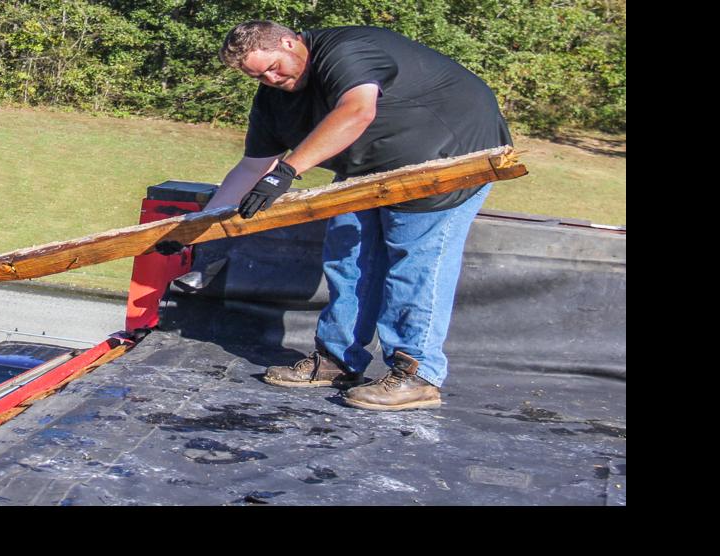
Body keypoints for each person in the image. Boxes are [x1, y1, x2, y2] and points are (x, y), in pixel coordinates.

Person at [203, 21, 511, 411]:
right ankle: (338, 360)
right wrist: (197, 230)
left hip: (451, 156)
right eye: (257, 75)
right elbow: (251, 168)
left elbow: (357, 111)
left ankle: (418, 374)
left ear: (288, 41)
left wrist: (286, 172)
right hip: (372, 167)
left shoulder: (345, 51)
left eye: (273, 66)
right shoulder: (273, 98)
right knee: (347, 258)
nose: (270, 78)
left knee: (416, 264)